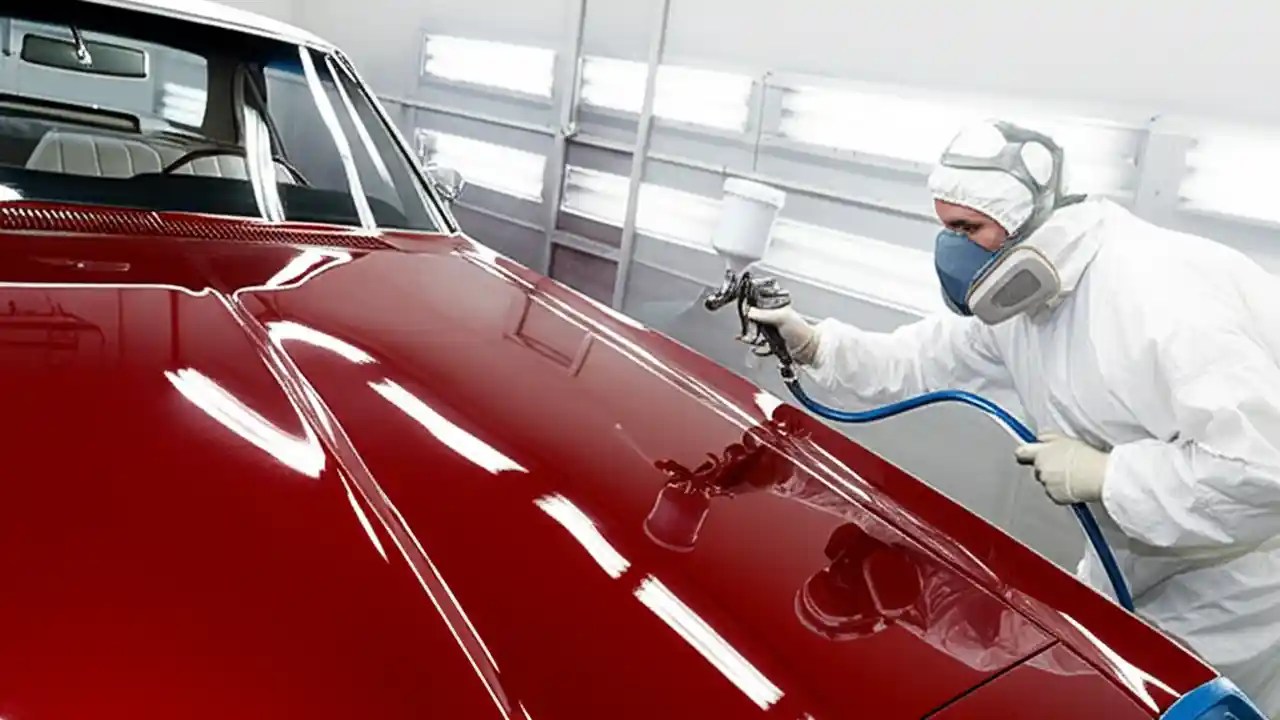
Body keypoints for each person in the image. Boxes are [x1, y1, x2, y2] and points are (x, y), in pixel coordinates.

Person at [747, 119, 1280, 713]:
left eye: (965, 229)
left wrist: (1108, 476)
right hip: (1132, 560)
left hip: (1233, 592)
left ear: (1027, 224)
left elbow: (1261, 468)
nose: (949, 248)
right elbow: (925, 356)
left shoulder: (1156, 295)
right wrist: (816, 344)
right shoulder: (1029, 306)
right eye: (945, 228)